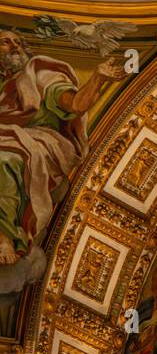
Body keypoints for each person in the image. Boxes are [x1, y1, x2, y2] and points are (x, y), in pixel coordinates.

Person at [0, 29, 123, 271]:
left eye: (18, 42)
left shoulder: (39, 72)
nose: (15, 47)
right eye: (6, 42)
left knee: (5, 159)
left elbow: (76, 104)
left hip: (41, 140)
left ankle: (5, 235)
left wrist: (98, 77)